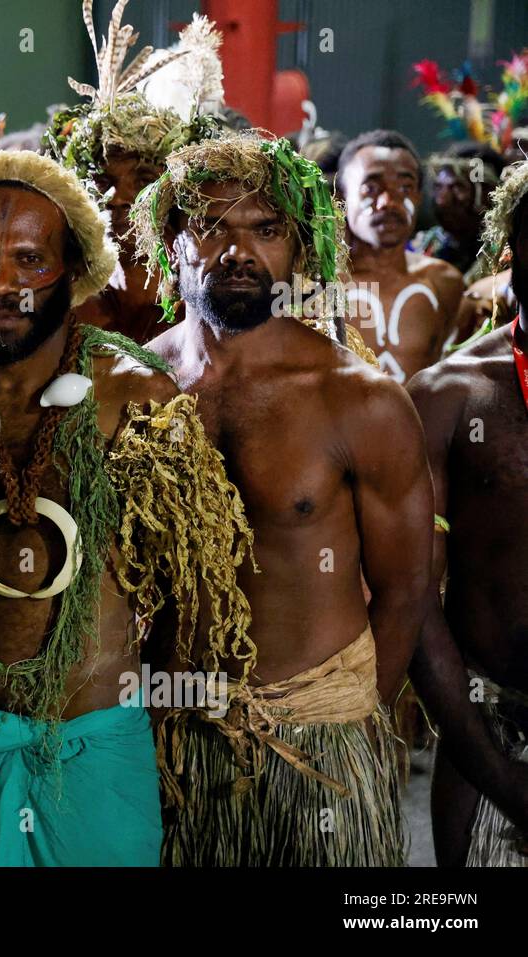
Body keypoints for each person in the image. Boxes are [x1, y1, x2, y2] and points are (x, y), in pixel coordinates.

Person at [0, 149, 254, 866]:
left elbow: (200, 592)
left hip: (91, 759)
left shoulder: (137, 398)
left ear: (73, 272)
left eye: (29, 259)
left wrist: (169, 732)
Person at [137, 132, 434, 865]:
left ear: (297, 249)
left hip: (322, 748)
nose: (239, 250)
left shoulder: (358, 399)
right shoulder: (136, 386)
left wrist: (352, 719)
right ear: (173, 239)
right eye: (212, 224)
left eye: (265, 230)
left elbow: (405, 592)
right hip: (173, 742)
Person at [406, 160, 528, 866]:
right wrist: (495, 766)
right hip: (492, 727)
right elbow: (412, 596)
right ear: (509, 248)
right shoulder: (446, 394)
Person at [44, 0, 224, 343]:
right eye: (103, 182)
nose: (120, 198)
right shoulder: (62, 294)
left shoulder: (206, 292)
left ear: (174, 192)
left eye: (143, 182)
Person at [339, 130, 465, 382]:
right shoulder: (316, 283)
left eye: (405, 187)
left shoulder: (445, 283)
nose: (388, 202)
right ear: (342, 197)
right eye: (371, 188)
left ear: (418, 197)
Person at [412, 143, 508, 281]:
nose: (442, 200)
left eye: (457, 187)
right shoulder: (423, 245)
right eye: (438, 187)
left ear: (488, 193)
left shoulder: (505, 252)